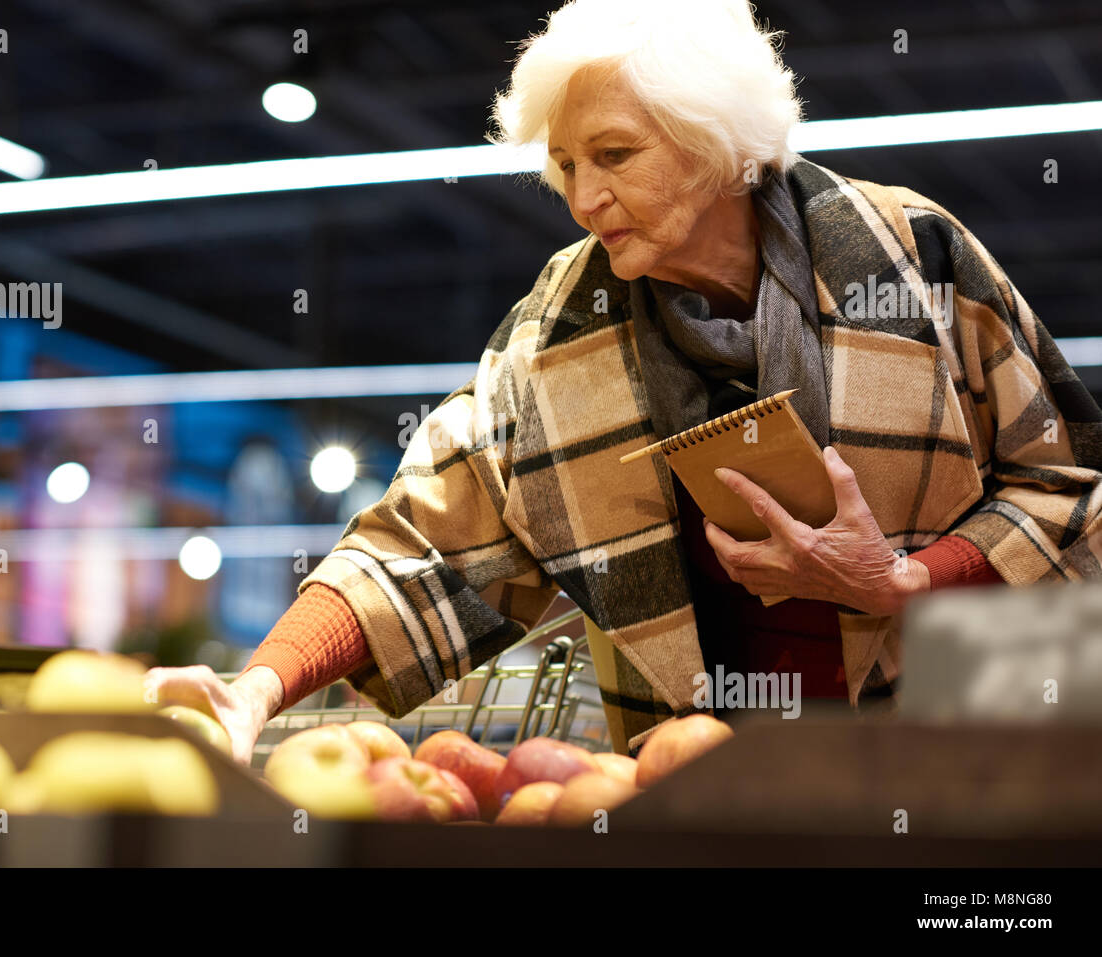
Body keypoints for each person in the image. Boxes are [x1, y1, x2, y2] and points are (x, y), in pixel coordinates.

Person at [145, 0, 1102, 761]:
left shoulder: (912, 260)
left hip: (954, 766)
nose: (580, 197)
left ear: (716, 138)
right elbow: (425, 542)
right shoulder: (555, 334)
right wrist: (259, 685)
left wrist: (901, 580)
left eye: (614, 154)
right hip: (689, 788)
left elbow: (1068, 486)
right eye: (562, 163)